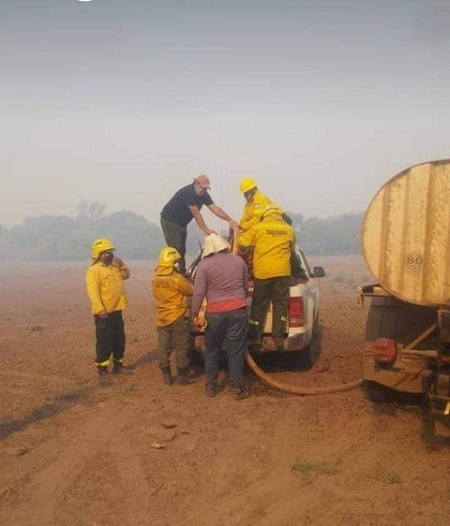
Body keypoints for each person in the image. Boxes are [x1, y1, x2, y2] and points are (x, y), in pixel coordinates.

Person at [191, 233, 249, 399]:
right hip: (238, 310)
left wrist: (195, 313)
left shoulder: (204, 265)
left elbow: (199, 292)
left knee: (212, 350)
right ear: (224, 246)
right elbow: (245, 288)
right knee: (236, 350)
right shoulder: (239, 261)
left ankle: (211, 386)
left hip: (215, 313)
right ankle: (236, 388)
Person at [238, 206, 295, 351]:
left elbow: (243, 242)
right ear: (280, 215)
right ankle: (278, 336)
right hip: (282, 272)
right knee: (281, 304)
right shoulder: (289, 229)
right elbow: (292, 248)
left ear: (265, 215)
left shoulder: (259, 228)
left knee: (259, 305)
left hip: (263, 273)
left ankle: (255, 336)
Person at [160, 175, 239, 274]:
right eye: (202, 189)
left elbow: (214, 208)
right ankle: (176, 273)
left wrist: (230, 220)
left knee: (182, 250)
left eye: (206, 189)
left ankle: (182, 272)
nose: (204, 191)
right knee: (176, 249)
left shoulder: (204, 195)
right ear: (195, 184)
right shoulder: (188, 193)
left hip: (182, 223)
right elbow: (197, 215)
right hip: (170, 221)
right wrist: (207, 231)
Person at [152, 246, 197, 386]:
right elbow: (191, 291)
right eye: (176, 262)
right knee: (181, 346)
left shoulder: (156, 279)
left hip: (162, 317)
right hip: (177, 316)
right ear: (172, 263)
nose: (178, 264)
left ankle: (166, 376)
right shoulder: (176, 279)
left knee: (163, 347)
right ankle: (182, 376)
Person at [86, 238, 130, 378]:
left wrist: (121, 263)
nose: (109, 255)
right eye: (106, 252)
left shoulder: (113, 267)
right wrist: (100, 309)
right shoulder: (94, 271)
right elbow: (93, 292)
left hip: (117, 310)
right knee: (104, 341)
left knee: (119, 339)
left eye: (110, 252)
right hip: (104, 313)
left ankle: (118, 365)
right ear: (98, 254)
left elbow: (126, 275)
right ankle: (102, 369)